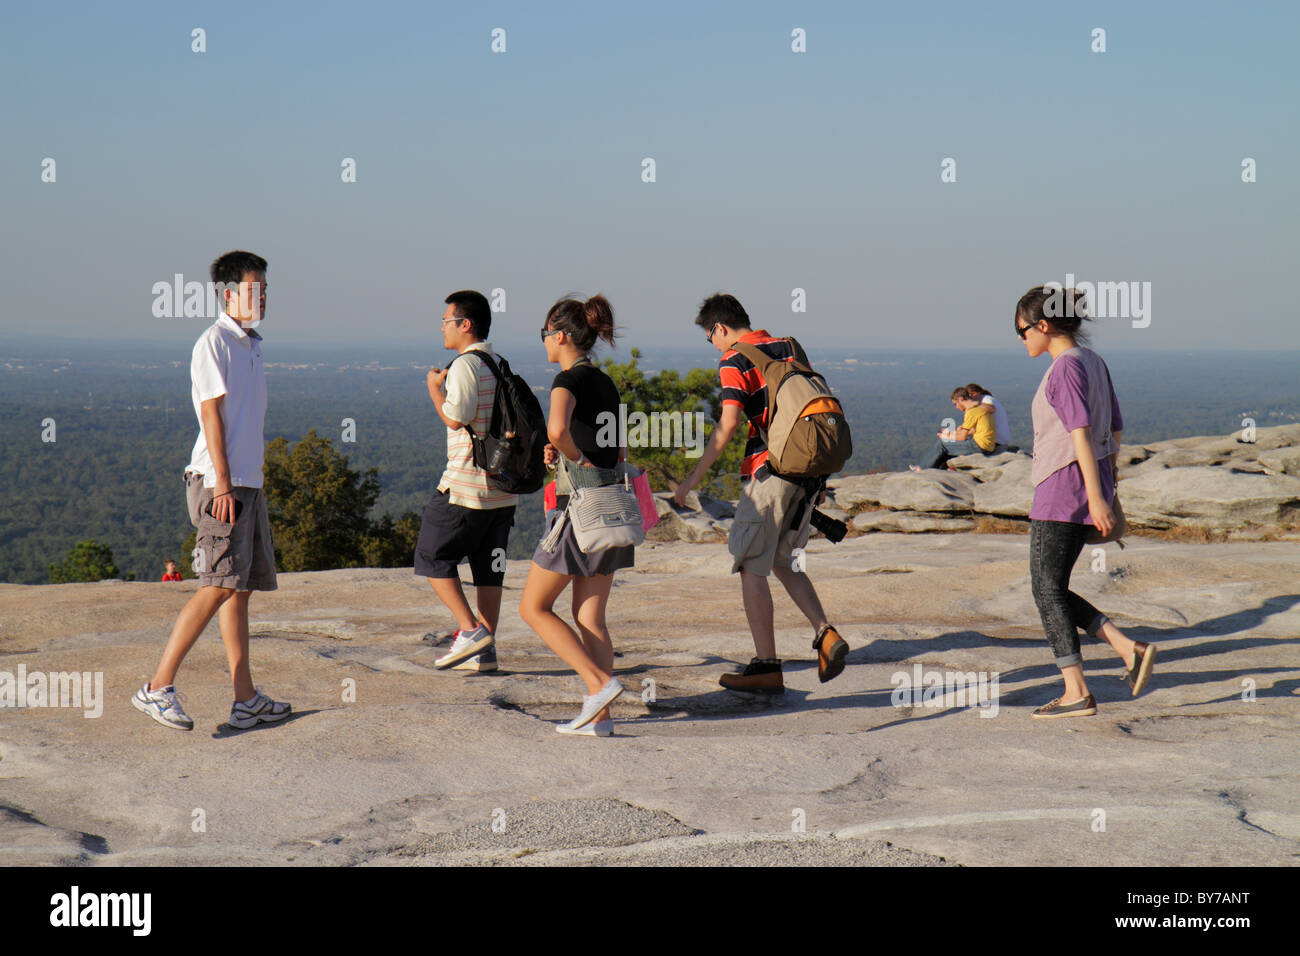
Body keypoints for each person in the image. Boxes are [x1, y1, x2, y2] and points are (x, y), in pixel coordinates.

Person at [132, 250, 290, 731]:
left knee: (238, 591)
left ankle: (245, 700)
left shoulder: (250, 344)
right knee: (217, 584)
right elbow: (211, 416)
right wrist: (223, 482)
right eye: (252, 288)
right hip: (220, 483)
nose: (261, 295)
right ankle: (156, 689)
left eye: (264, 287)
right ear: (227, 294)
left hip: (246, 483)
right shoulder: (214, 343)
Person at [674, 293, 848, 694]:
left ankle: (766, 666)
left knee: (752, 563)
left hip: (769, 473)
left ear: (719, 328)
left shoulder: (735, 358)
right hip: (805, 472)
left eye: (709, 338)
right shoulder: (789, 346)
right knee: (785, 561)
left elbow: (728, 423)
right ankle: (825, 634)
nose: (713, 346)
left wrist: (692, 480)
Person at [1015, 285, 1155, 718]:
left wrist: (1099, 498)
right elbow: (1113, 430)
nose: (1021, 339)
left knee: (1045, 588)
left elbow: (1079, 431)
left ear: (1042, 325)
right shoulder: (1094, 362)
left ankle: (1076, 691)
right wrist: (1108, 493)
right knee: (1050, 587)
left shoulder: (1063, 369)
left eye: (1021, 331)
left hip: (1061, 488)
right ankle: (1127, 649)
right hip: (1084, 486)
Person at [518, 295, 628, 735]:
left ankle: (597, 684)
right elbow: (616, 449)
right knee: (590, 617)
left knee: (533, 607)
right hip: (611, 506)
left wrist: (571, 455)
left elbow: (558, 429)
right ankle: (600, 720)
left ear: (560, 335)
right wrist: (568, 454)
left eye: (545, 333)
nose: (544, 341)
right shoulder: (606, 382)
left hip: (577, 510)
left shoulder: (566, 379)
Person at [416, 291, 518, 673]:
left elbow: (456, 418)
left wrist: (434, 391)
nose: (442, 327)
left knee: (430, 555)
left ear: (465, 325)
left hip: (465, 487)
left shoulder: (465, 364)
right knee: (488, 569)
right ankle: (485, 652)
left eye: (446, 320)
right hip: (502, 490)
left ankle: (470, 631)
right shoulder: (498, 362)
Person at [910, 387, 998, 471]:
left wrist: (945, 437)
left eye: (955, 404)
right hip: (988, 446)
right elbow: (972, 431)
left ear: (960, 399)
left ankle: (922, 468)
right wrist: (950, 434)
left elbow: (962, 437)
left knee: (943, 444)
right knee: (951, 444)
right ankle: (941, 467)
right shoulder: (980, 408)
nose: (956, 407)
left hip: (980, 447)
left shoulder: (972, 411)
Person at [965, 383, 1011, 451]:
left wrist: (976, 404)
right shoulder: (987, 400)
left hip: (996, 441)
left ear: (974, 394)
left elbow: (992, 409)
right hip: (999, 440)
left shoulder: (987, 400)